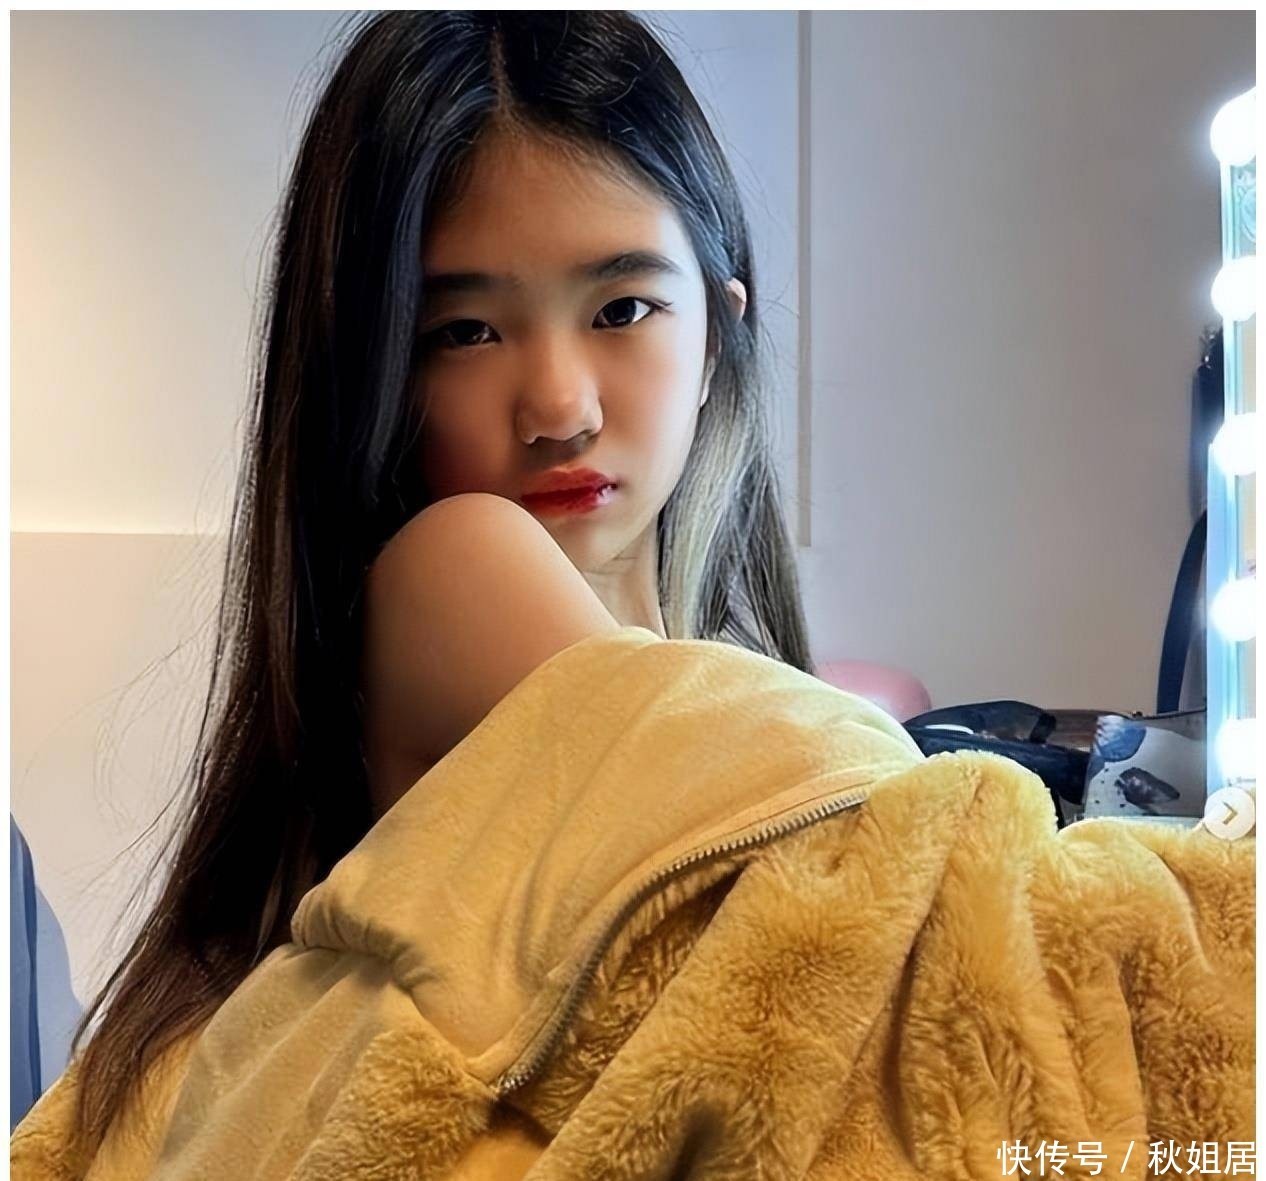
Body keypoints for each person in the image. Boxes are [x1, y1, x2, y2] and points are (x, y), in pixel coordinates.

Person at [14, 9, 817, 1170]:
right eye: (466, 331)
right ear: (373, 372)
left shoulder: (727, 687)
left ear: (718, 336)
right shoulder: (460, 564)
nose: (559, 405)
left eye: (621, 309)